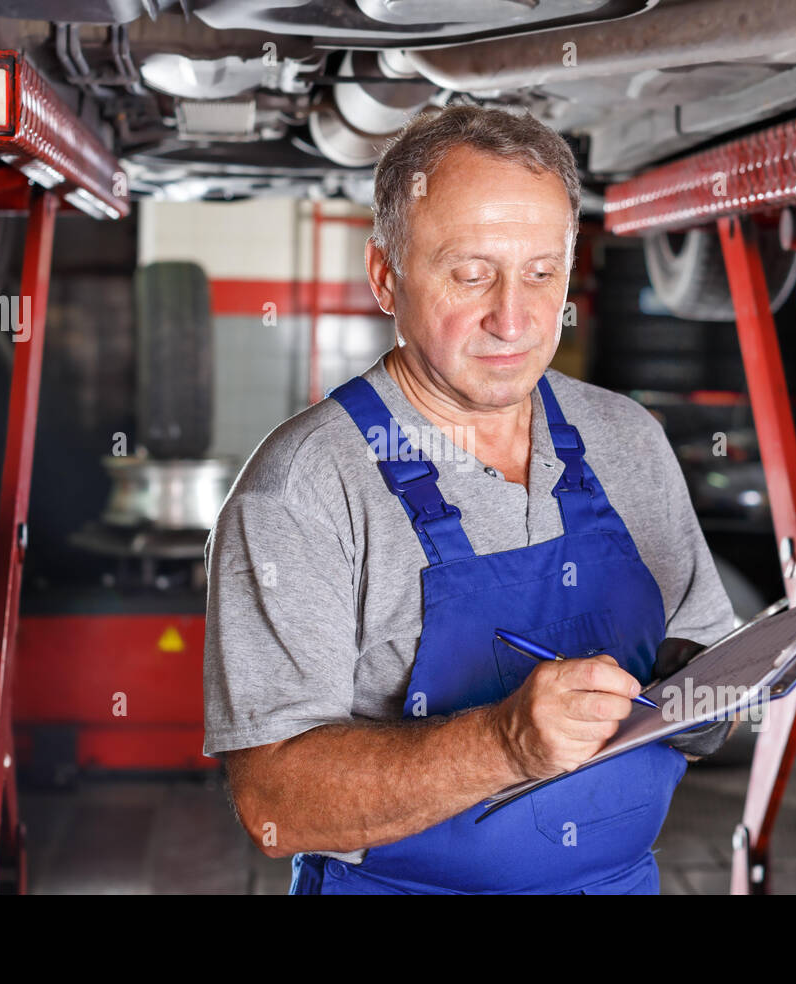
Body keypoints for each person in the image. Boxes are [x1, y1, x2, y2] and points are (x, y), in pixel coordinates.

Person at [203, 104, 737, 895]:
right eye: (471, 272)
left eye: (540, 272)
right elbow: (273, 801)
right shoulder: (305, 489)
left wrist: (708, 693)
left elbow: (696, 650)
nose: (513, 318)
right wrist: (506, 743)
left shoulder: (626, 438)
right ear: (386, 274)